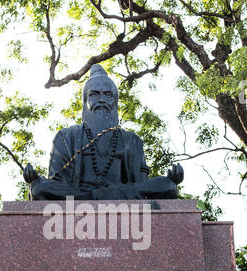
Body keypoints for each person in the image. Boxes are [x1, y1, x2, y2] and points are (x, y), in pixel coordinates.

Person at [23, 64, 184, 200]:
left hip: (104, 195)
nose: (101, 99)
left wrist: (171, 179)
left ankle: (93, 197)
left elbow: (141, 184)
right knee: (39, 189)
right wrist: (37, 180)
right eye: (94, 95)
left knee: (168, 186)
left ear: (115, 101)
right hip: (83, 195)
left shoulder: (132, 140)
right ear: (85, 101)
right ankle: (95, 196)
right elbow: (57, 182)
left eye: (107, 95)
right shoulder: (66, 136)